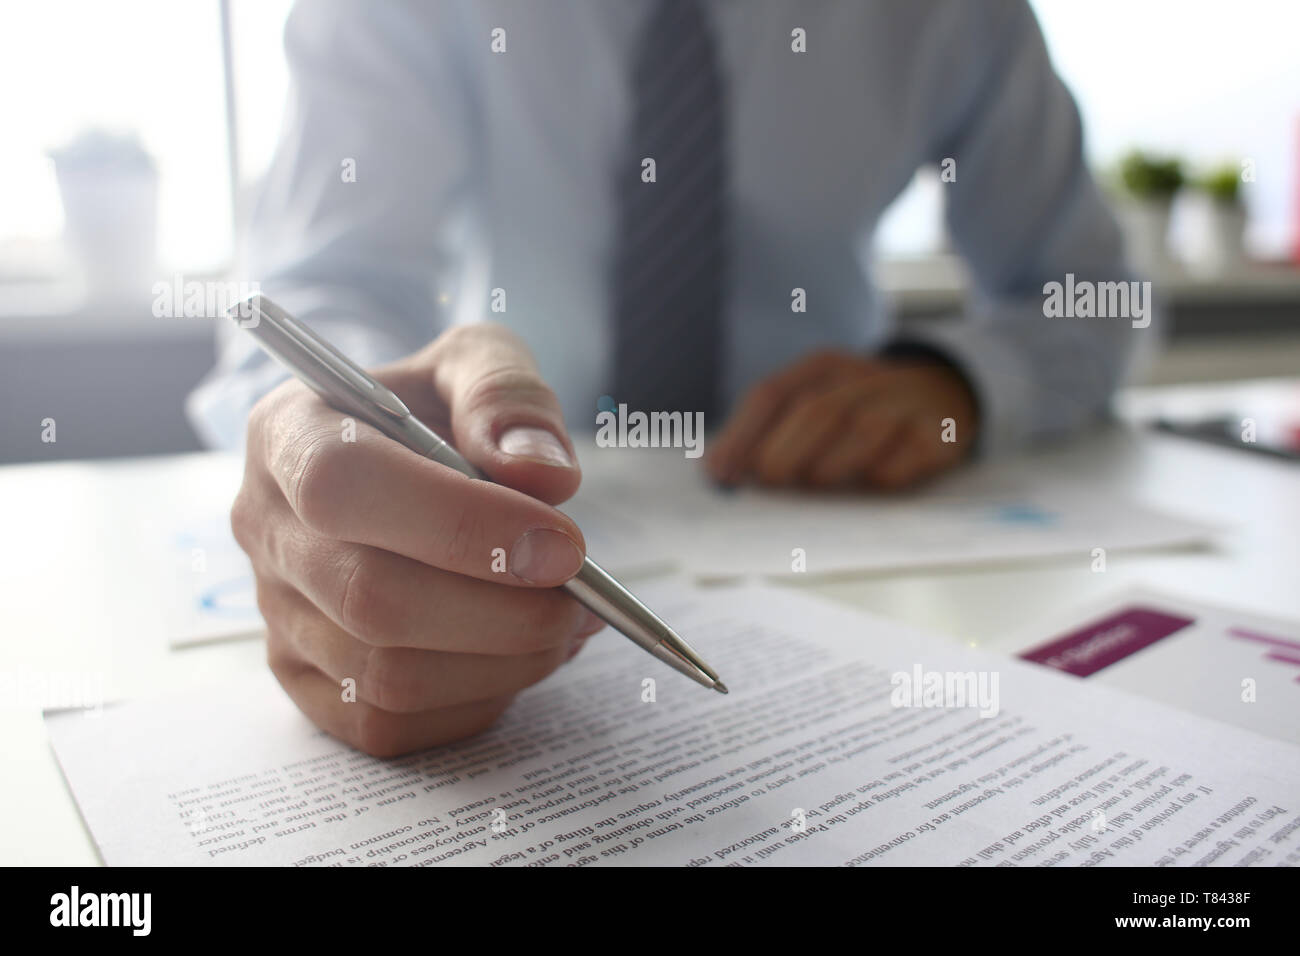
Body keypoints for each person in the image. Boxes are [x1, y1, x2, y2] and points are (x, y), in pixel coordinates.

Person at [188, 0, 1144, 756]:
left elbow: (1093, 296)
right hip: (502, 499)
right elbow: (325, 285)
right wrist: (334, 442)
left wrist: (956, 383)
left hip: (857, 525)